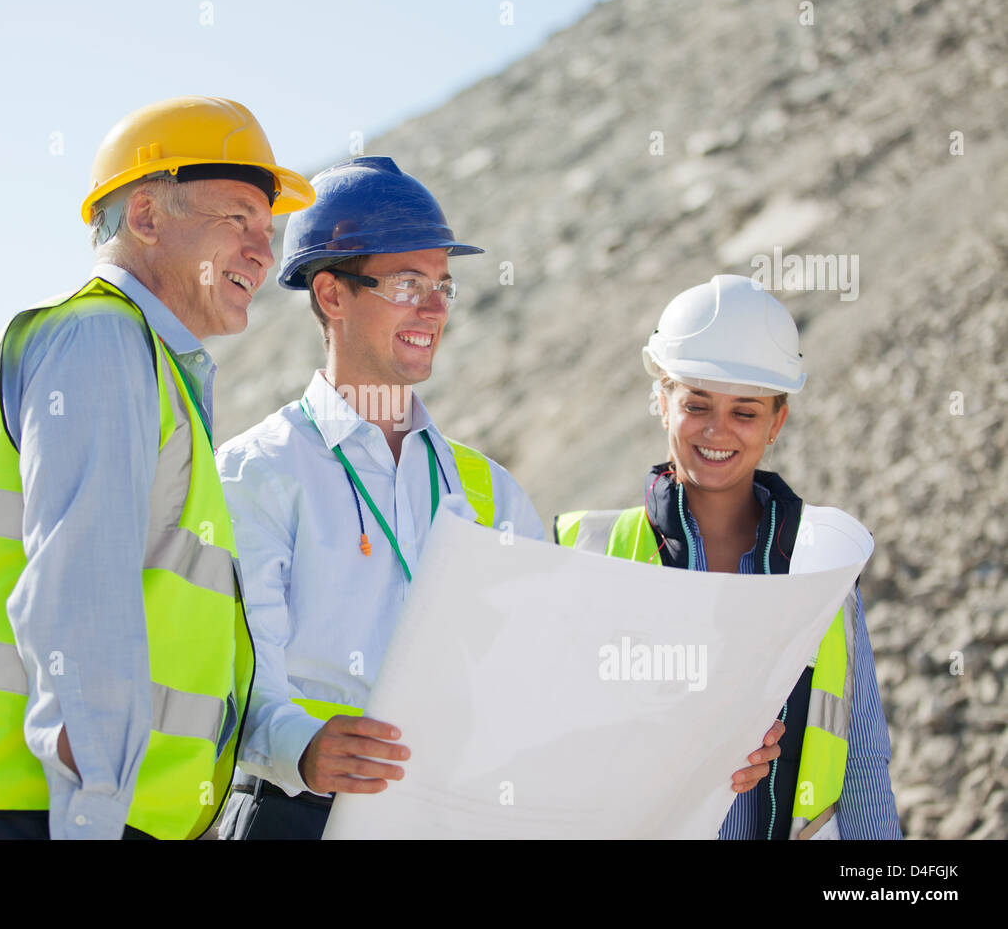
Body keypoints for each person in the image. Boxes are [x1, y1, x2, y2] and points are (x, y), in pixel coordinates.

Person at [216, 158, 782, 839]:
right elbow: (229, 686)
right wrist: (302, 748)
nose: (433, 309)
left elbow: (552, 684)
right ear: (332, 295)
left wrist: (700, 744)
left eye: (443, 287)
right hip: (296, 817)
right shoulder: (258, 471)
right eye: (407, 284)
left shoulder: (485, 489)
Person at [0, 96, 313, 839]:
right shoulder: (101, 342)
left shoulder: (147, 364)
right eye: (238, 218)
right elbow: (78, 603)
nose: (263, 252)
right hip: (33, 813)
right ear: (146, 217)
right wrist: (94, 817)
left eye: (267, 230)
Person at [555, 274, 902, 839]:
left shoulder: (821, 564)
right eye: (697, 403)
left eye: (745, 411)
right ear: (662, 402)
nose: (718, 430)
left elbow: (860, 765)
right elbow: (549, 756)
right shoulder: (589, 555)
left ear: (776, 423)